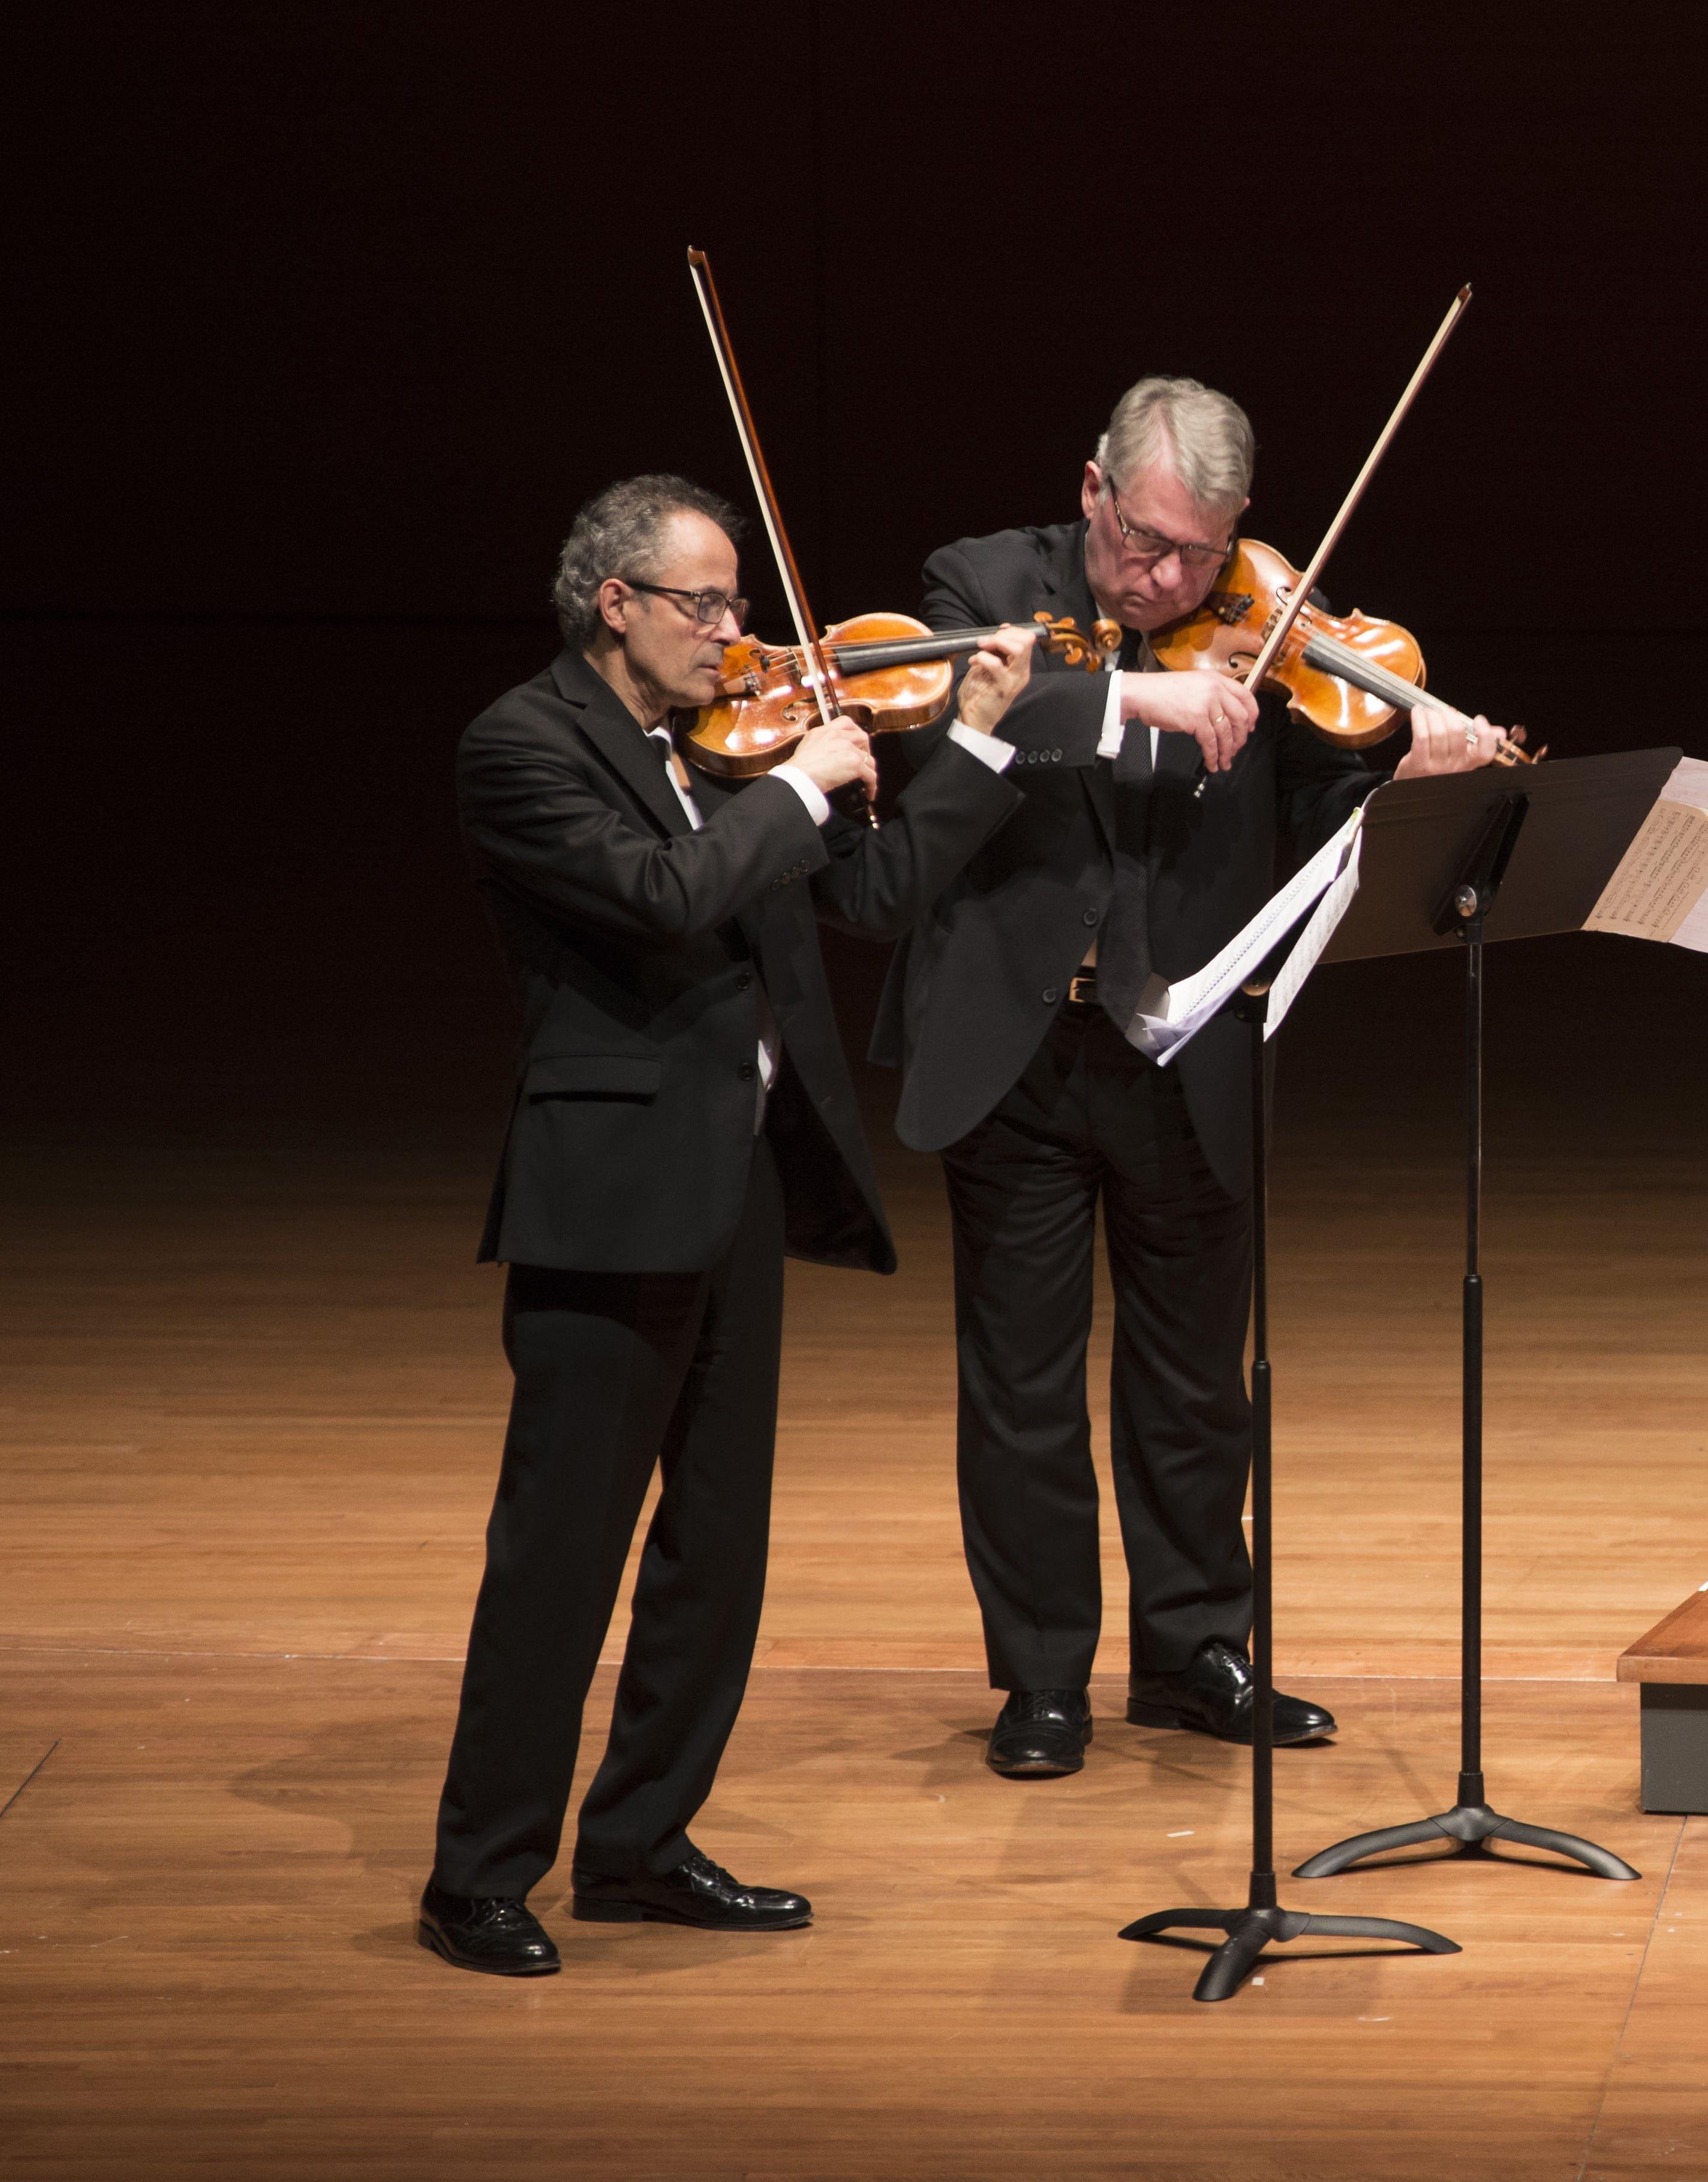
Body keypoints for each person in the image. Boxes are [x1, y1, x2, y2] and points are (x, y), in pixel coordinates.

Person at [422, 475, 1042, 1976]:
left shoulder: (733, 741)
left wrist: (970, 737)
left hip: (741, 1181)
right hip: (609, 1195)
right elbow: (660, 891)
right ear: (614, 603)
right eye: (703, 605)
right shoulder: (522, 745)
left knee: (717, 1545)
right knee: (562, 1550)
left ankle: (639, 1845)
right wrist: (797, 788)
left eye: (738, 605)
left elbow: (878, 892)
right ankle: (479, 1874)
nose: (734, 634)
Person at [877, 377, 1509, 1781]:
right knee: (1022, 1385)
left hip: (1188, 1041)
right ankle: (1044, 1677)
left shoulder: (1270, 623)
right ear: (1092, 489)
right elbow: (947, 729)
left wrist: (1413, 788)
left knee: (1195, 1381)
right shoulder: (981, 584)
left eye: (1200, 555)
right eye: (1145, 542)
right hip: (1020, 1048)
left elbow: (1323, 817)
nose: (1167, 579)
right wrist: (1129, 695)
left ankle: (1194, 1652)